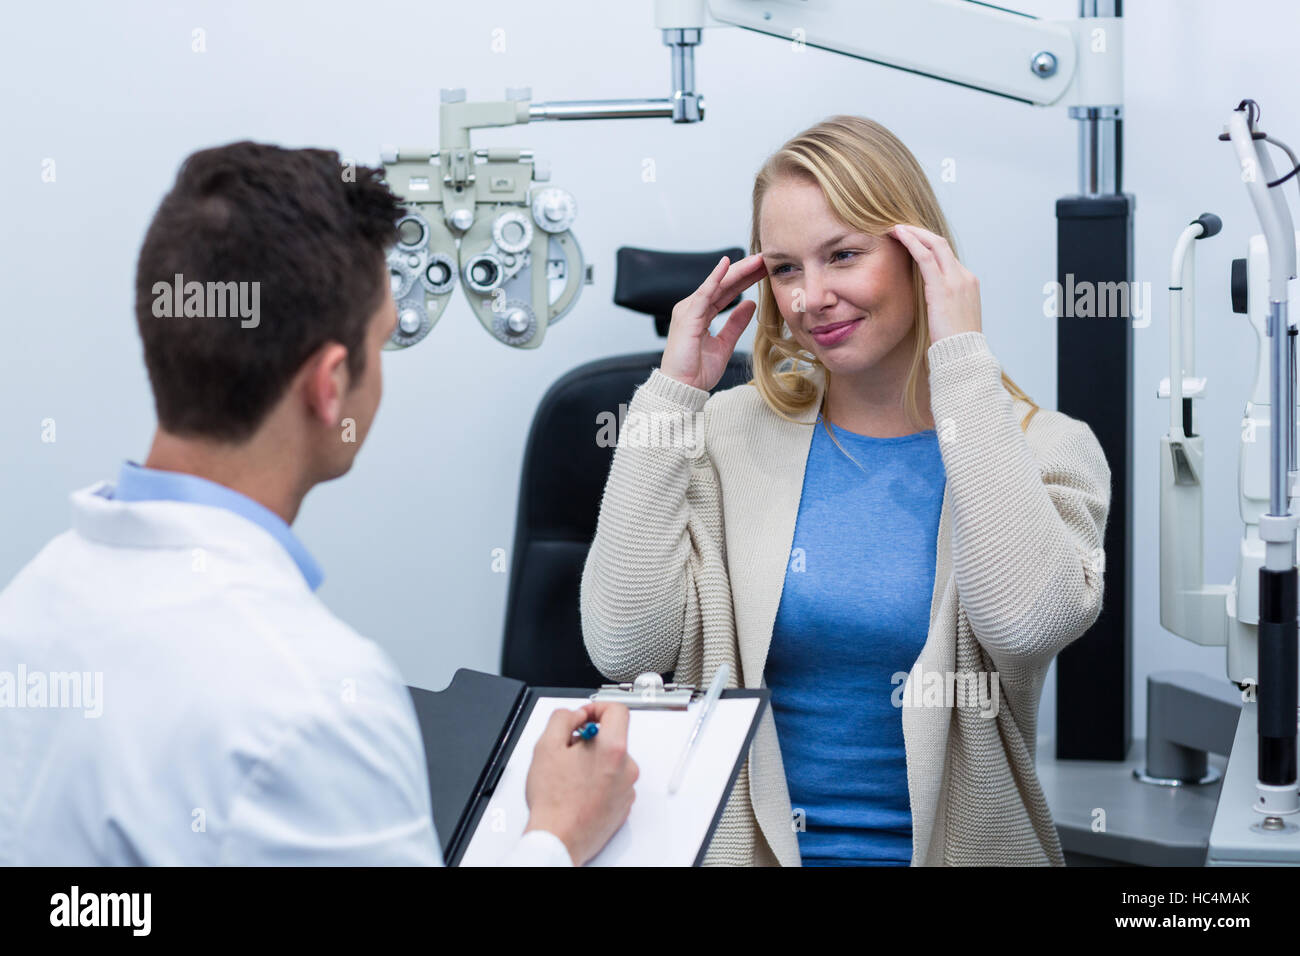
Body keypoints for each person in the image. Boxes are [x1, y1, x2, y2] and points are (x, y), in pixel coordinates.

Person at [0, 142, 637, 866]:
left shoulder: (27, 606)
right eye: (385, 338)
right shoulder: (311, 700)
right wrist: (556, 832)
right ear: (329, 385)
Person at [580, 115, 1111, 866]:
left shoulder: (1045, 448)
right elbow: (623, 643)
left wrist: (961, 360)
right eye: (786, 269)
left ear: (918, 255)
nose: (810, 298)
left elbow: (1026, 624)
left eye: (843, 256)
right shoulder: (726, 434)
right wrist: (672, 394)